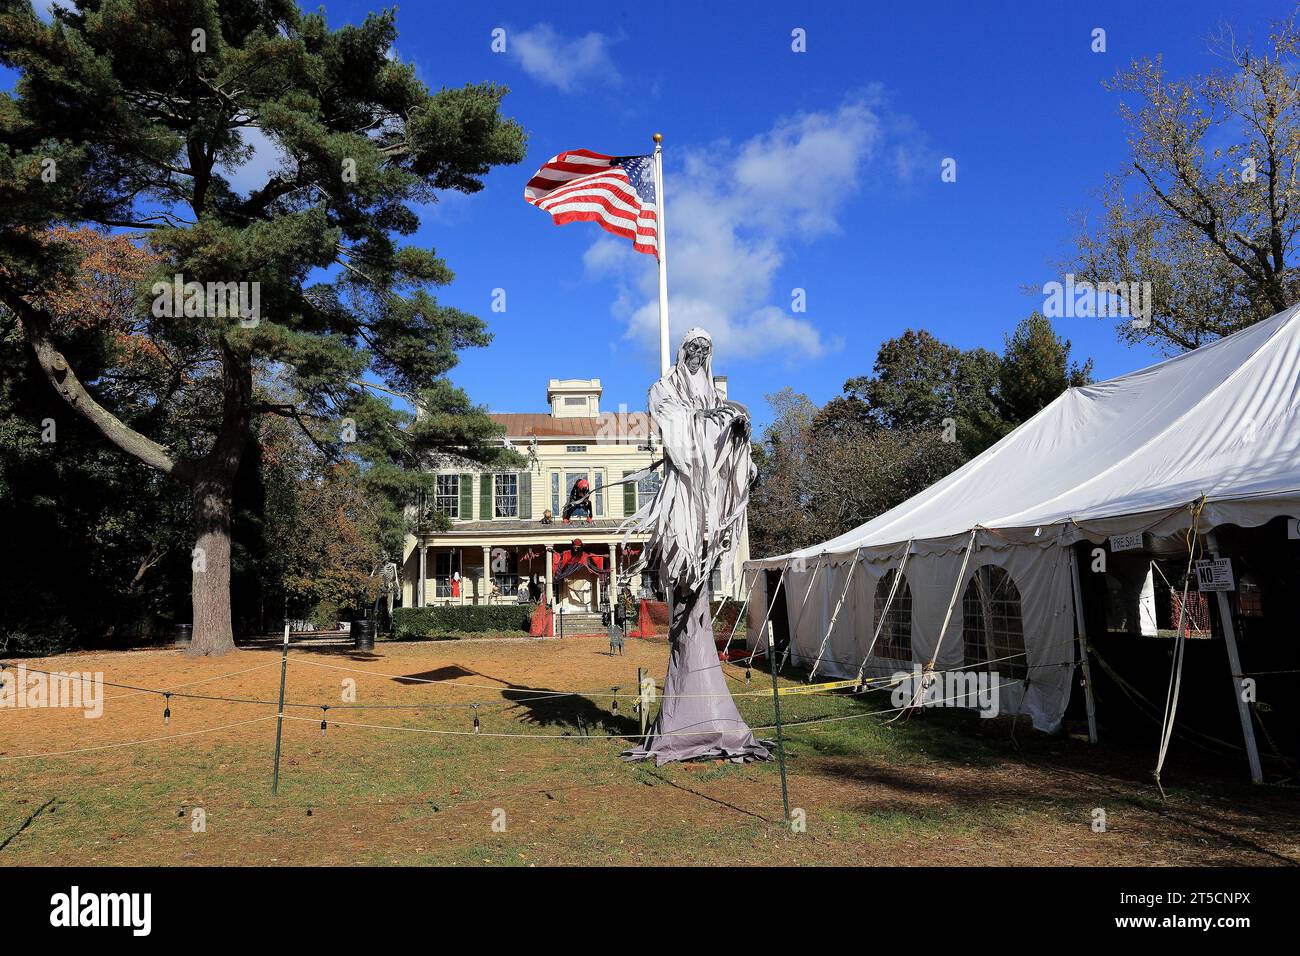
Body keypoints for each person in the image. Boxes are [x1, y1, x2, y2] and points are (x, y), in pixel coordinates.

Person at [622, 328, 769, 765]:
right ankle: (688, 715)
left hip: (709, 512)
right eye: (693, 348)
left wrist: (738, 436)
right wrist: (710, 423)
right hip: (683, 508)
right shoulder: (665, 388)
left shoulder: (712, 395)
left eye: (706, 350)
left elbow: (725, 448)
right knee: (685, 581)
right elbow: (678, 438)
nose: (699, 354)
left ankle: (705, 710)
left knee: (698, 591)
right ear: (681, 350)